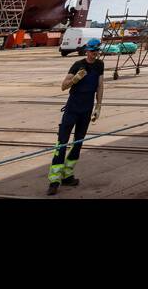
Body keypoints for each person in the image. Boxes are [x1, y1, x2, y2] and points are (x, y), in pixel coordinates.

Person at [47, 36, 105, 194]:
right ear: (87, 51)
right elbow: (63, 87)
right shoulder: (77, 65)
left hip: (86, 110)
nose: (94, 54)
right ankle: (54, 181)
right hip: (72, 109)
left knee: (78, 143)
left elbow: (100, 86)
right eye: (92, 51)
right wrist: (75, 79)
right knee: (62, 143)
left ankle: (67, 175)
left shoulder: (100, 65)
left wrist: (98, 106)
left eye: (96, 51)